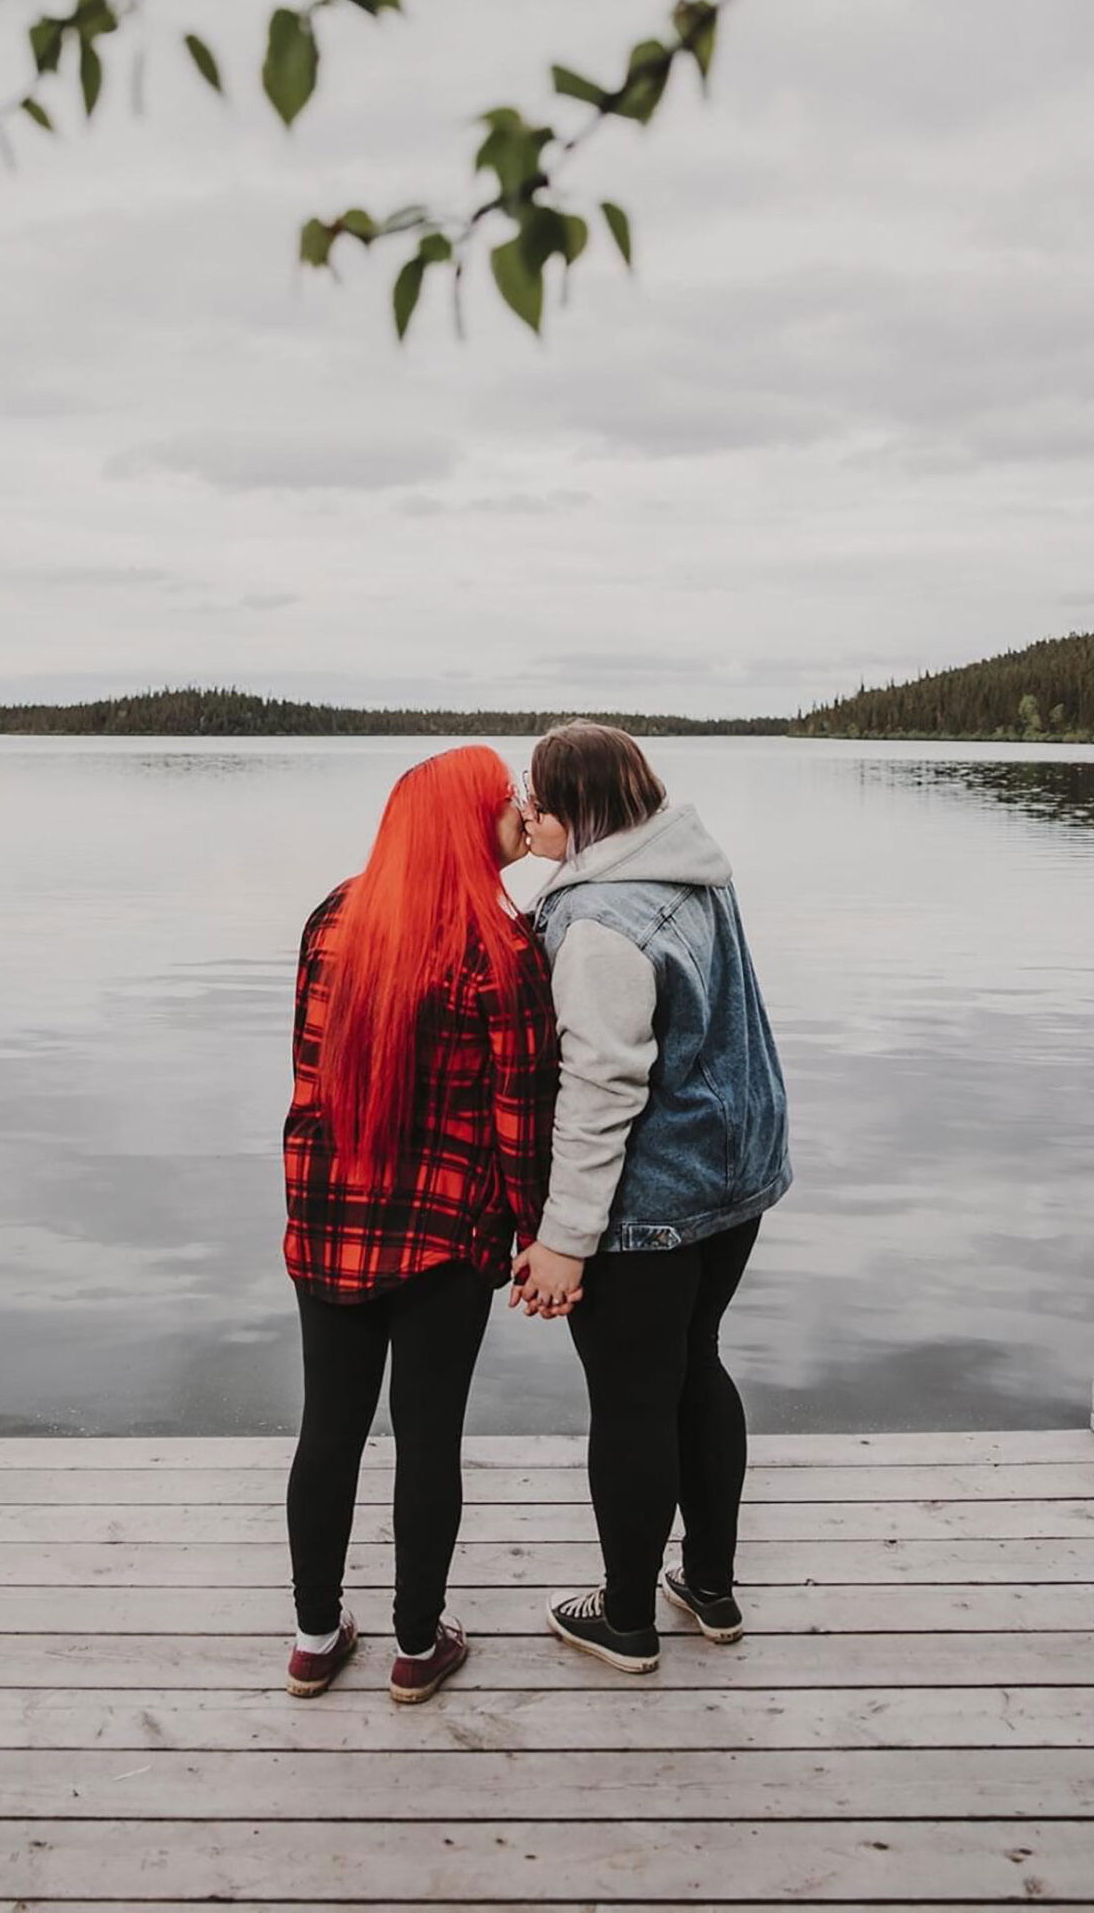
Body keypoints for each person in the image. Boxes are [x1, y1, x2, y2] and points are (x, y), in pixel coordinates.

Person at [510, 721, 790, 1674]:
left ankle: (624, 1615)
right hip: (735, 1180)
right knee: (695, 1366)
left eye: (538, 798)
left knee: (630, 1402)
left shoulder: (597, 926)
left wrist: (563, 1239)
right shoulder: (694, 872)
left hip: (650, 1200)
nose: (524, 812)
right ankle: (708, 1589)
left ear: (582, 807)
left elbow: (599, 1091)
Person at [282, 744, 557, 1704]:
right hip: (443, 1234)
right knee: (426, 1438)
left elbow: (310, 1077)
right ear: (463, 820)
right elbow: (522, 1115)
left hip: (332, 1221)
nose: (521, 813)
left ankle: (316, 1639)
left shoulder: (333, 915)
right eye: (505, 801)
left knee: (328, 1429)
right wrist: (537, 1235)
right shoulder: (501, 944)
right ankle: (413, 1645)